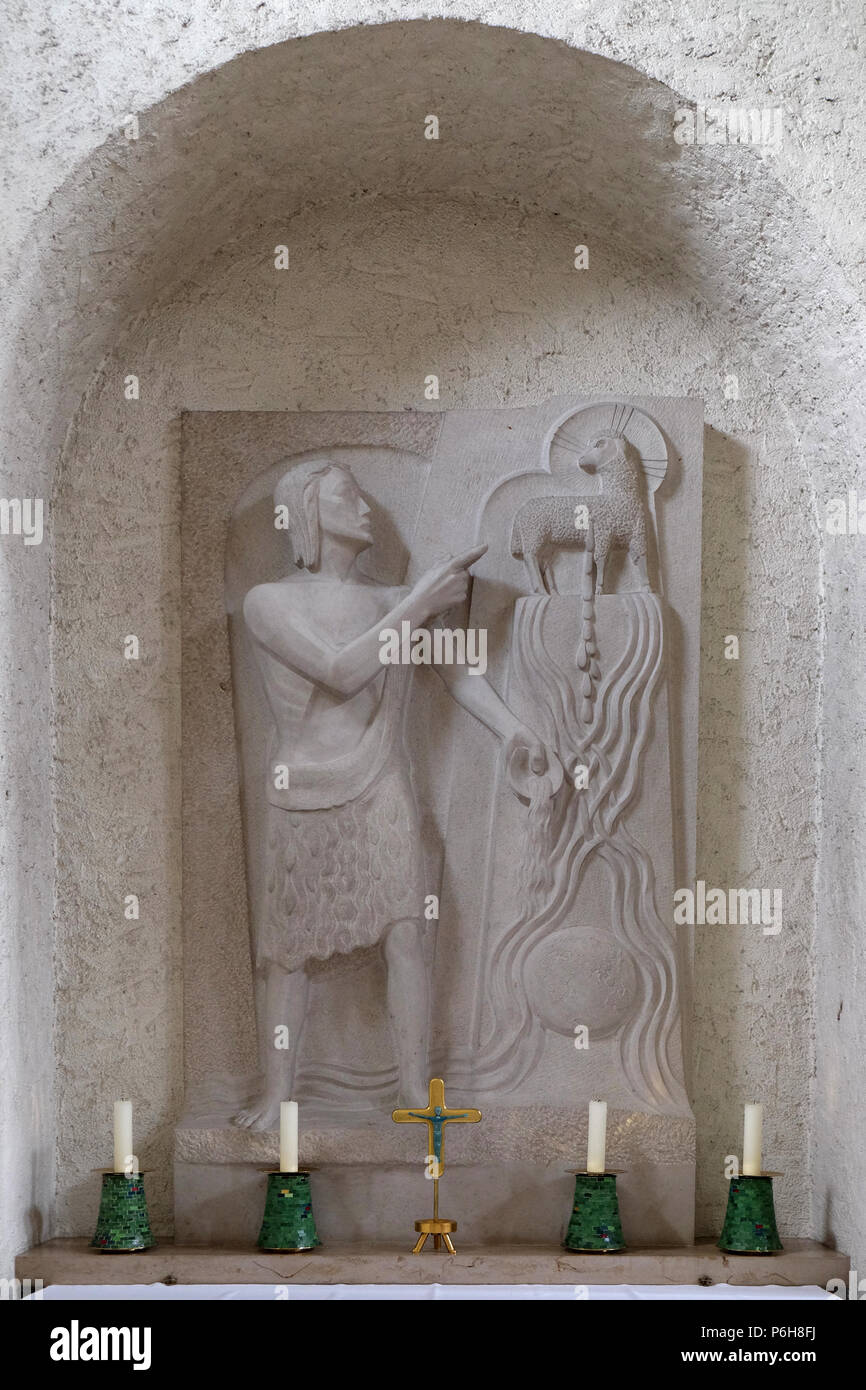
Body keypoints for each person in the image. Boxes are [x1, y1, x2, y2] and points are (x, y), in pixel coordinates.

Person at [233, 459, 554, 1127]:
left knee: (408, 930)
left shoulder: (394, 599)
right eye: (347, 497)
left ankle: (414, 1091)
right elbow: (341, 669)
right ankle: (277, 1095)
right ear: (309, 515)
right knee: (290, 951)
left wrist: (515, 734)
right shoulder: (270, 601)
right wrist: (421, 600)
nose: (365, 508)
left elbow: (457, 676)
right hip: (305, 788)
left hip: (383, 780)